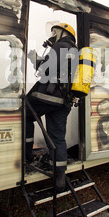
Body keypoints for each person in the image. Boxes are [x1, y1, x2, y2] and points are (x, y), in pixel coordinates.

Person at [25, 22, 78, 191]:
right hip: (64, 101)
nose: (53, 35)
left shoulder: (60, 46)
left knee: (25, 114)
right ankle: (59, 178)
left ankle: (27, 156)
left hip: (48, 96)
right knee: (57, 137)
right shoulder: (75, 51)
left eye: (55, 32)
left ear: (63, 33)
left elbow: (46, 69)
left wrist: (34, 58)